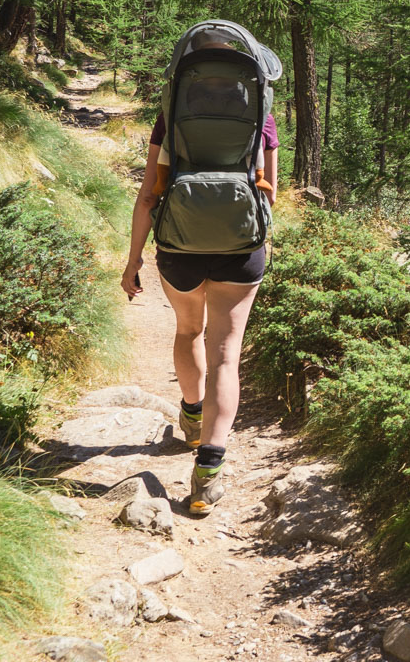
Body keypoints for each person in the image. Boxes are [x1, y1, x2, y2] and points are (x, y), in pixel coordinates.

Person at [122, 28, 278, 515]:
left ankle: (191, 416)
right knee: (227, 354)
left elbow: (150, 193)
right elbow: (269, 188)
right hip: (240, 242)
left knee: (189, 328)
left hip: (179, 243)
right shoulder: (261, 116)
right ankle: (208, 474)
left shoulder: (172, 118)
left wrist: (133, 259)